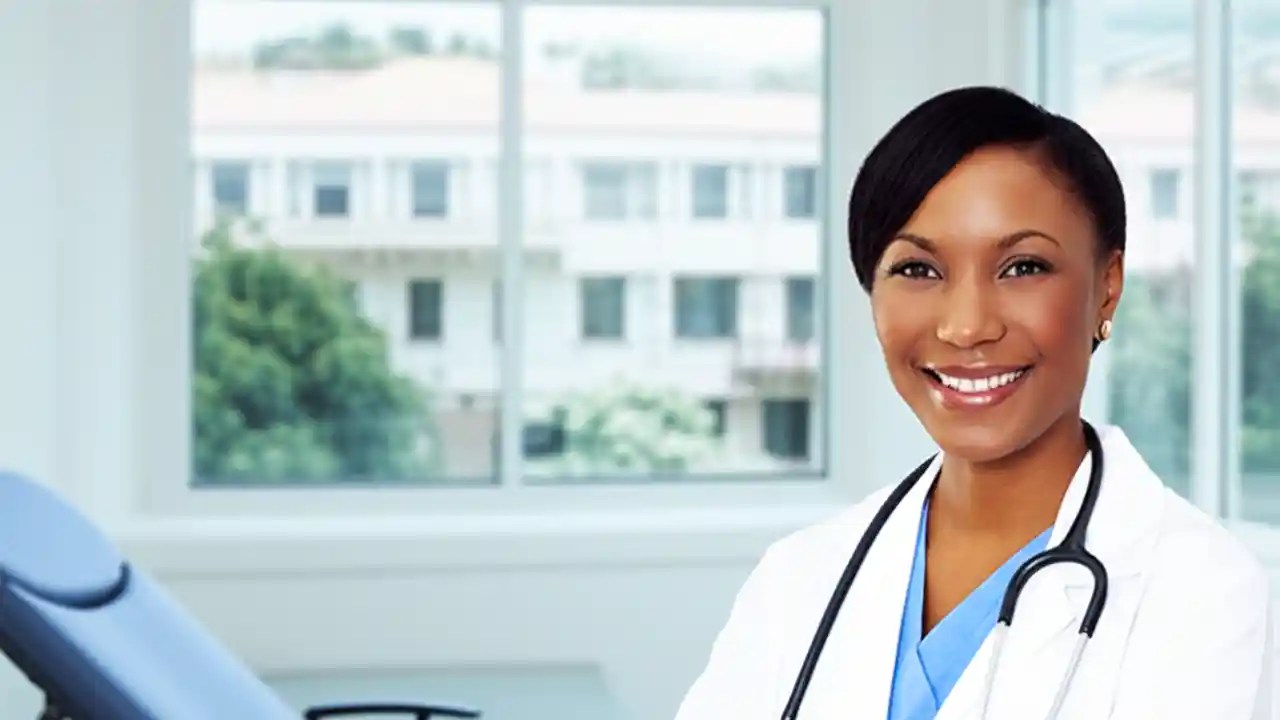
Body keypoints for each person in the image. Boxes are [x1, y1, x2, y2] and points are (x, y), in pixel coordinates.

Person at [673, 86, 1274, 720]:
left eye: (1022, 268)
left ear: (1107, 287)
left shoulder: (1203, 593)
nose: (966, 327)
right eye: (917, 270)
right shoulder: (800, 578)